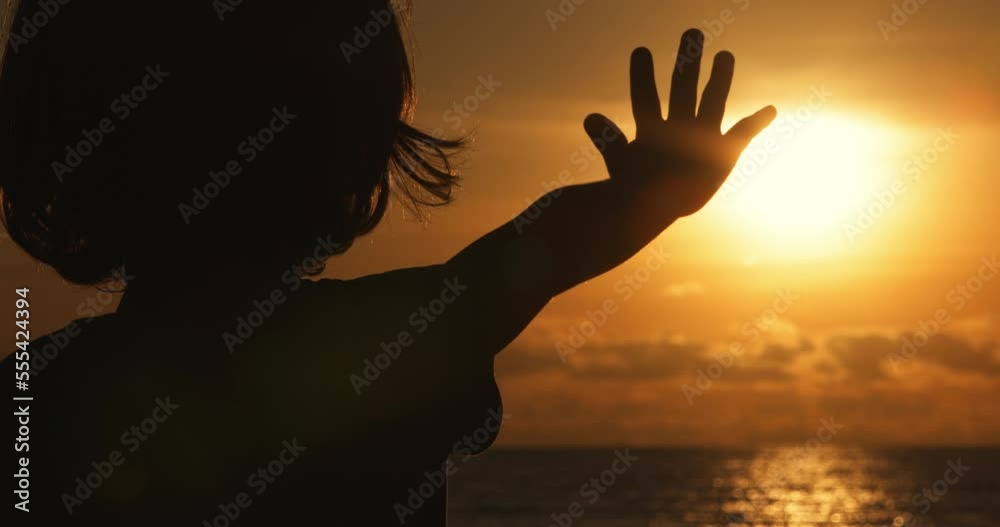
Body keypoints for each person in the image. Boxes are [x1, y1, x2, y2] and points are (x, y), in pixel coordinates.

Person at [0, 0, 775, 524]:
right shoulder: (381, 347)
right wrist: (644, 198)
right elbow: (536, 253)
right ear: (353, 149)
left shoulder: (30, 408)